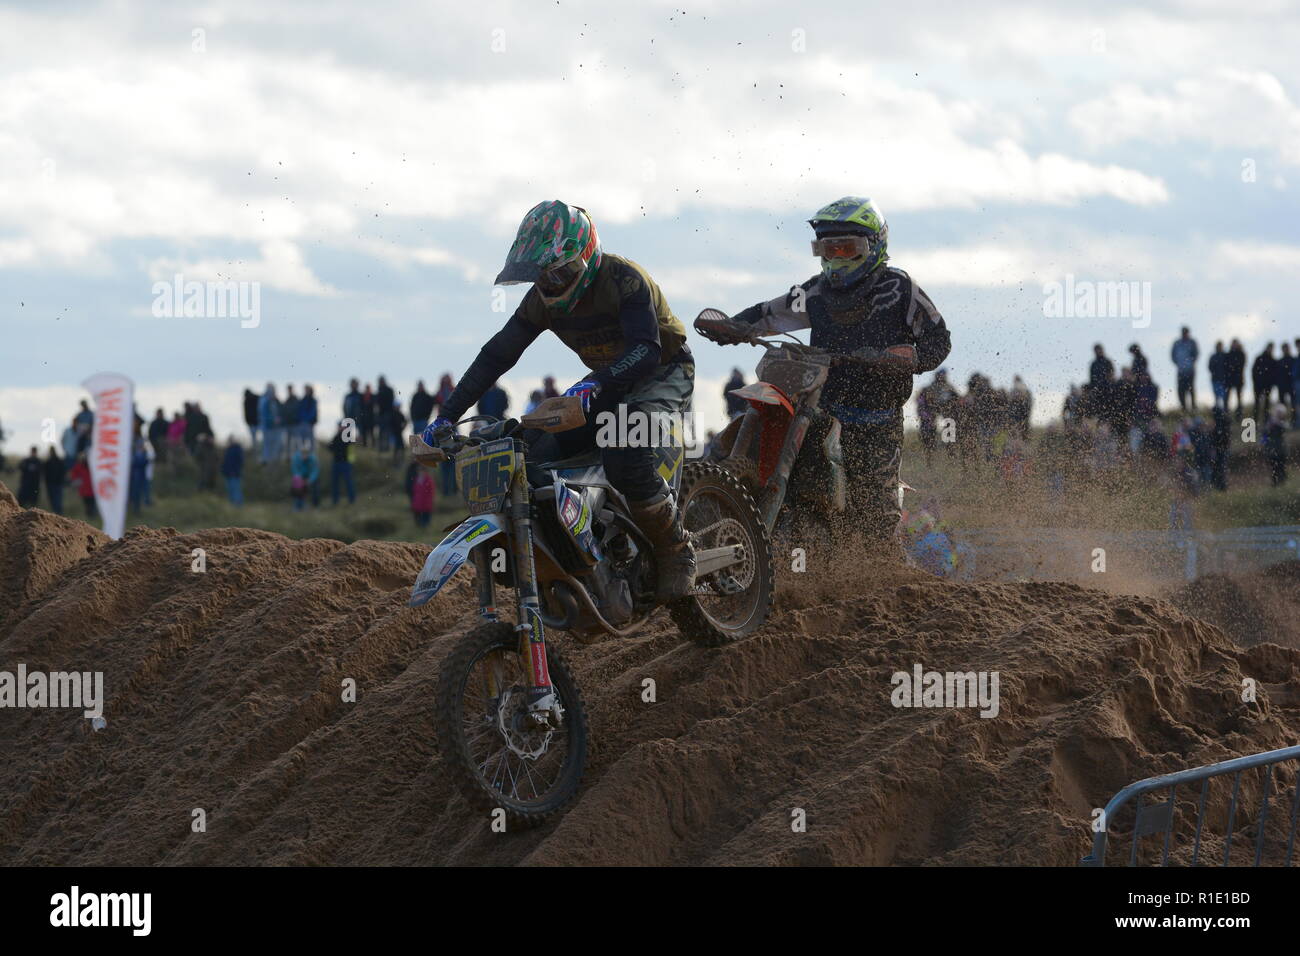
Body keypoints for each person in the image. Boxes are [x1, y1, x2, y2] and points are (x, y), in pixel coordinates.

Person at [424, 199, 697, 600]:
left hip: (663, 371)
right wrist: (445, 418)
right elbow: (497, 355)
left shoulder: (625, 279)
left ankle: (678, 549)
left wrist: (593, 387)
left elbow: (647, 348)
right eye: (543, 278)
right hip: (607, 381)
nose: (551, 286)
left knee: (624, 447)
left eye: (559, 274)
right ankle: (588, 546)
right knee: (530, 452)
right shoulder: (541, 301)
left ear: (585, 256)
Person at [702, 196, 951, 553]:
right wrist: (734, 326)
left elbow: (939, 339)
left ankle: (886, 573)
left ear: (873, 245)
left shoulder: (900, 290)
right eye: (826, 248)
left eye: (846, 248)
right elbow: (770, 312)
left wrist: (908, 358)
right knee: (798, 472)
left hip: (875, 419)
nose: (835, 258)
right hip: (822, 407)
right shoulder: (816, 291)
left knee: (874, 518)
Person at [1171, 326, 1198, 412]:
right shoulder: (1177, 343)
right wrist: (1178, 363)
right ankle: (1183, 407)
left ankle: (1193, 407)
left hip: (1190, 370)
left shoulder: (1192, 342)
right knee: (1181, 389)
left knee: (1191, 389)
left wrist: (1190, 363)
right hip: (1180, 370)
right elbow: (1173, 355)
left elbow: (1196, 354)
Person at [329, 422, 356, 505]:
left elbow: (351, 451)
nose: (340, 428)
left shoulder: (348, 438)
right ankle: (335, 501)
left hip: (345, 463)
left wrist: (351, 462)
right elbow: (330, 447)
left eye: (342, 427)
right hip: (336, 463)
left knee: (349, 482)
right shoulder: (336, 437)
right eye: (339, 426)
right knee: (335, 483)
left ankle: (351, 500)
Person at [1252, 343, 1278, 423]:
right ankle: (1255, 421)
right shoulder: (1259, 358)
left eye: (1271, 348)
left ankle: (1266, 421)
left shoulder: (1273, 360)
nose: (1270, 350)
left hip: (1268, 386)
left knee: (1267, 404)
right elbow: (1254, 371)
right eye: (1269, 348)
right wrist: (1256, 382)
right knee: (1257, 404)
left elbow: (1274, 374)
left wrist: (1272, 383)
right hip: (1258, 385)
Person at [290, 441, 321, 510]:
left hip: (310, 477)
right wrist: (299, 478)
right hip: (300, 477)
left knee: (316, 487)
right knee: (297, 487)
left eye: (306, 453)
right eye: (303, 453)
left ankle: (316, 504)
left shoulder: (313, 459)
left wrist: (310, 480)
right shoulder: (295, 458)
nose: (304, 455)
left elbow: (315, 471)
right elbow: (294, 469)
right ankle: (298, 505)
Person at [258, 384, 282, 464]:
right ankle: (266, 460)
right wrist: (272, 420)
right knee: (267, 444)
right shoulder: (264, 401)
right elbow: (263, 415)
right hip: (267, 427)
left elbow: (281, 412)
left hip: (276, 427)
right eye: (271, 390)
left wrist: (279, 419)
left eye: (273, 390)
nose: (272, 392)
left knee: (276, 444)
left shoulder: (277, 401)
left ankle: (274, 460)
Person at [68, 451, 96, 517]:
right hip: (85, 490)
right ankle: (90, 515)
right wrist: (76, 481)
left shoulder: (91, 466)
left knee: (90, 504)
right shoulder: (79, 466)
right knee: (88, 504)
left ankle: (91, 515)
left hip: (90, 490)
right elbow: (74, 475)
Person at [221, 437, 245, 505]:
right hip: (228, 474)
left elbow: (240, 462)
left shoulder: (237, 449)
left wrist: (235, 471)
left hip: (234, 474)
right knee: (230, 490)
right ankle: (232, 504)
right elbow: (225, 462)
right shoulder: (228, 450)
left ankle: (238, 504)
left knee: (236, 490)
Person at [1226, 339, 1246, 417]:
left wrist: (1233, 367)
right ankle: (1227, 414)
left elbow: (1241, 365)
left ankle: (1239, 414)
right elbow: (1227, 366)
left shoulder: (1241, 354)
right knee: (1228, 398)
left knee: (1239, 398)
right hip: (1230, 379)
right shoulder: (1229, 354)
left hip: (1238, 379)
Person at [44, 447, 66, 515]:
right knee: (55, 499)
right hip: (53, 483)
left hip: (56, 483)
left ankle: (58, 512)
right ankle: (57, 512)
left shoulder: (51, 462)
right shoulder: (50, 462)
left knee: (56, 499)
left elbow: (63, 472)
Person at [1208, 340, 1228, 410]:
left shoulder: (1225, 356)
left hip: (1224, 380)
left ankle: (1225, 413)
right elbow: (1210, 367)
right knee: (1217, 398)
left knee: (1225, 398)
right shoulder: (1213, 356)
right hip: (1215, 380)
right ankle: (1218, 413)